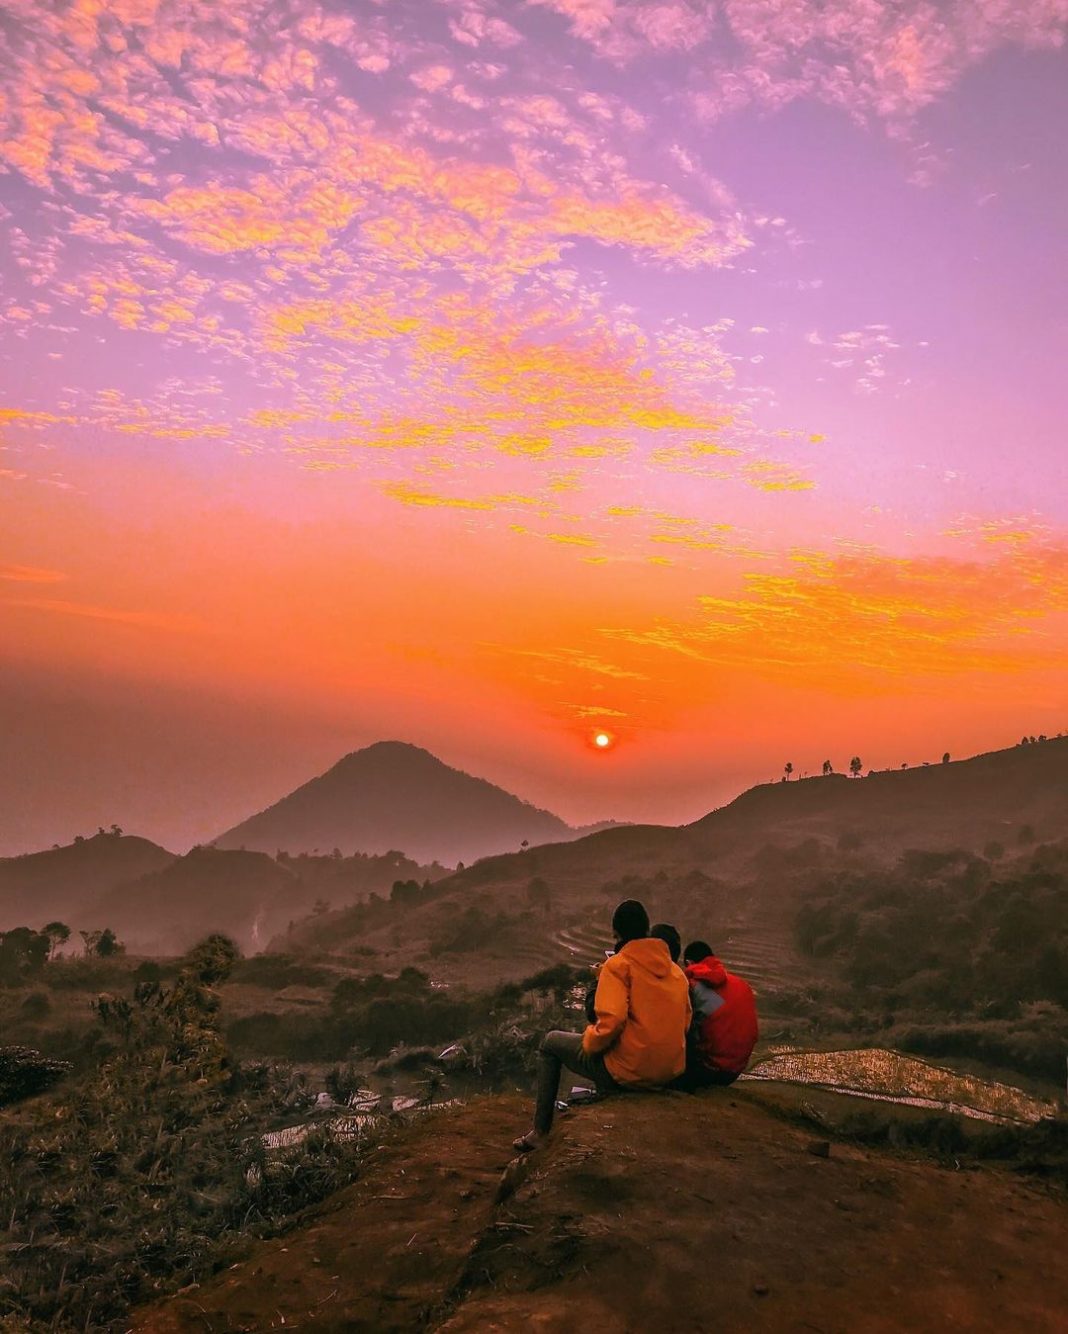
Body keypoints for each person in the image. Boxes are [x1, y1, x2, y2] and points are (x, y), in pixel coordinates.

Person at [513, 900, 691, 1152]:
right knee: (618, 1045)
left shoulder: (617, 966)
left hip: (631, 1070)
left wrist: (589, 1043)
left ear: (616, 935)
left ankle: (540, 1132)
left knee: (550, 1042)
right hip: (668, 1071)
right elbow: (685, 1021)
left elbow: (611, 1022)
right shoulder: (676, 972)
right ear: (646, 930)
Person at [678, 939, 759, 1089]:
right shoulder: (742, 985)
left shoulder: (693, 986)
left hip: (709, 1070)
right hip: (735, 1070)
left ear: (689, 963)